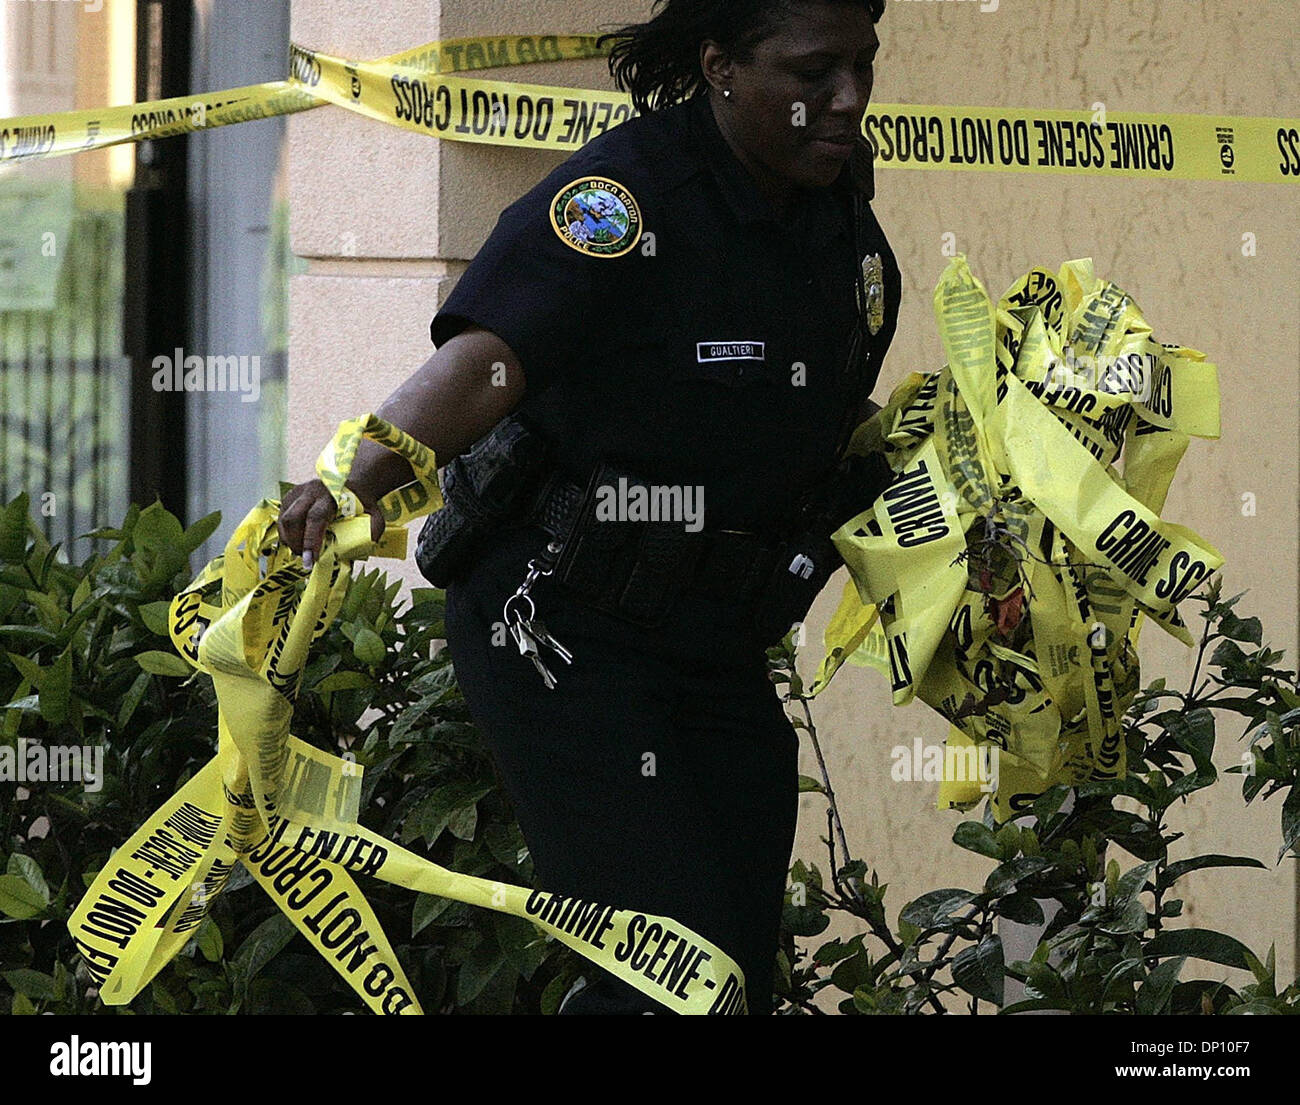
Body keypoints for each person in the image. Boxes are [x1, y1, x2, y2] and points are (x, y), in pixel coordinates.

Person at [278, 0, 900, 1015]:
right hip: (565, 632)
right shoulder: (625, 200)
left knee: (731, 968)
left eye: (863, 65)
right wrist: (353, 479)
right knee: (671, 975)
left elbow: (808, 401)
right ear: (721, 68)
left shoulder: (825, 199)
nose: (848, 100)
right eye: (813, 73)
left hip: (715, 640)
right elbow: (488, 361)